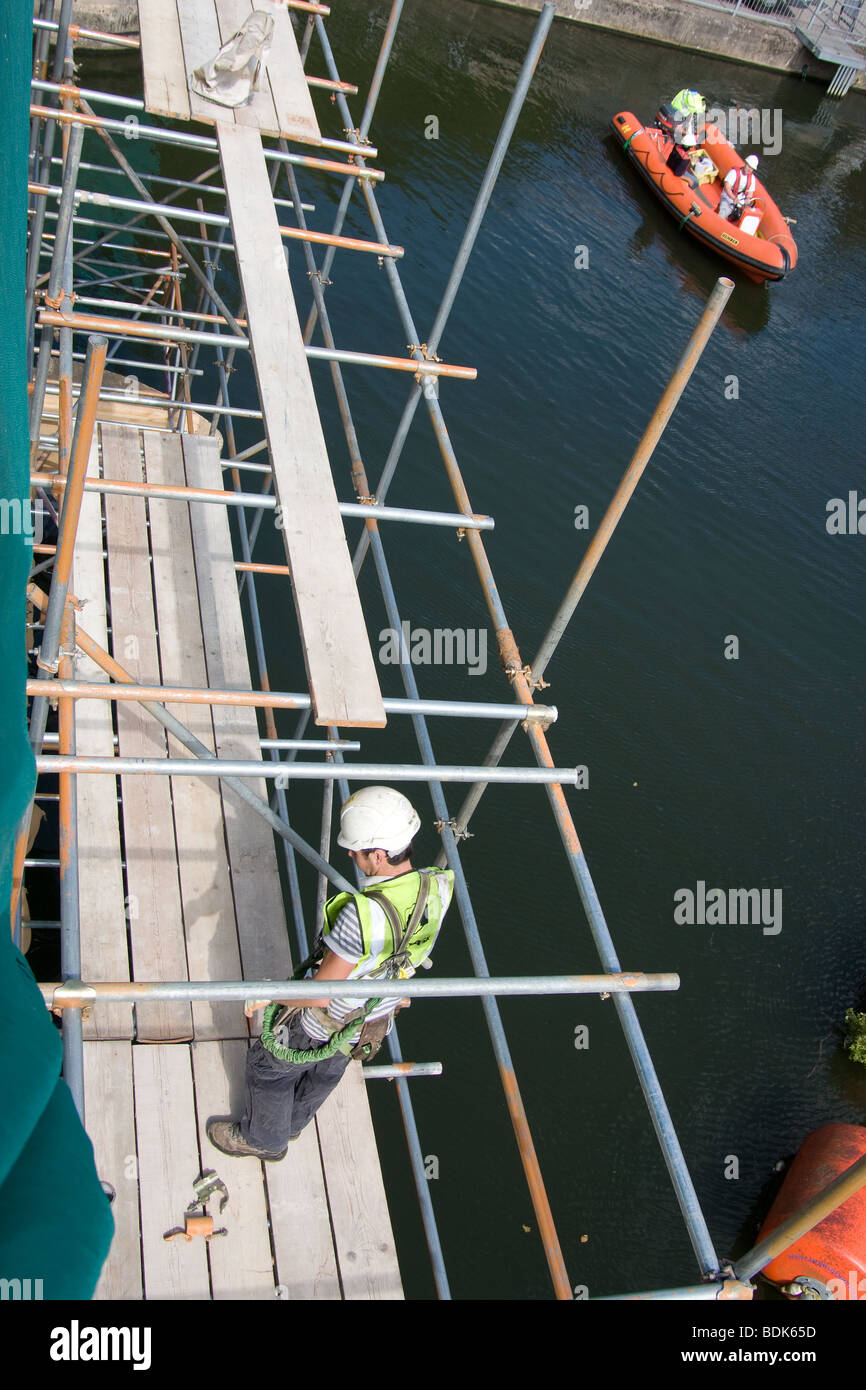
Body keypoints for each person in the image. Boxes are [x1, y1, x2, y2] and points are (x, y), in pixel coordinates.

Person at [207, 787, 454, 1160]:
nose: (350, 853)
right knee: (323, 1074)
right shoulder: (435, 887)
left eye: (356, 849)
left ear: (380, 854)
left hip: (325, 1021)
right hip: (370, 1021)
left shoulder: (362, 916)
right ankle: (288, 1126)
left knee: (269, 1071)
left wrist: (269, 993)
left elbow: (321, 994)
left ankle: (264, 1140)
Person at [719, 154, 759, 222]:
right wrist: (734, 197)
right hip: (729, 197)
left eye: (752, 168)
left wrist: (748, 198)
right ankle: (720, 222)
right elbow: (727, 187)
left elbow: (750, 192)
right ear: (745, 163)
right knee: (724, 212)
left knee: (749, 215)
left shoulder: (752, 178)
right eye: (749, 166)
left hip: (741, 199)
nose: (749, 169)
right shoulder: (733, 173)